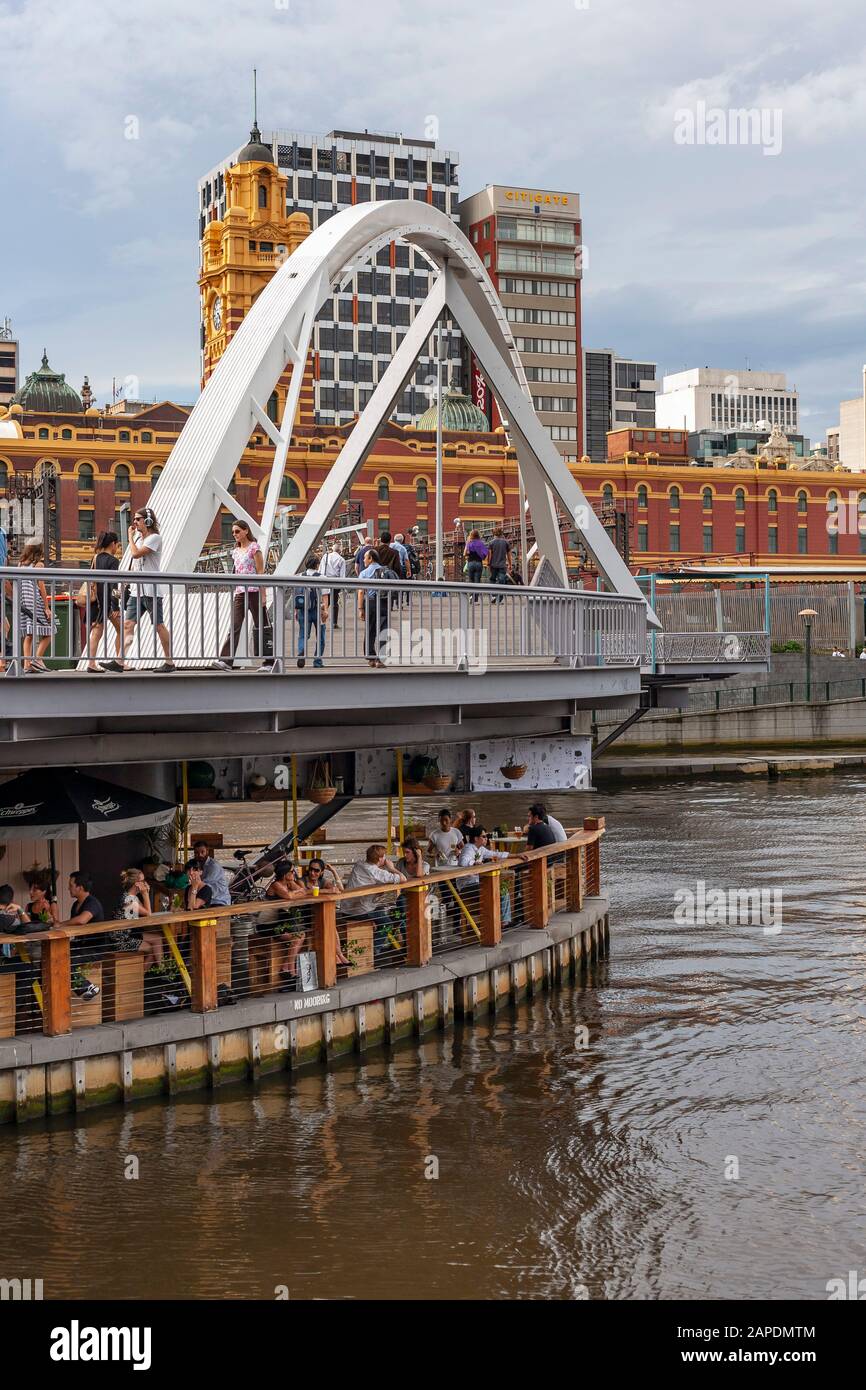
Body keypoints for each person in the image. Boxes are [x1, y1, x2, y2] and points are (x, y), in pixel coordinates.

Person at [105, 506, 174, 673]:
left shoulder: (154, 538)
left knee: (159, 625)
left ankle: (169, 662)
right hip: (137, 590)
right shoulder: (138, 539)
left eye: (138, 519)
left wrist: (129, 536)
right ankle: (120, 660)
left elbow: (136, 555)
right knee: (128, 624)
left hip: (151, 590)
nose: (134, 522)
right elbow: (134, 564)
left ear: (147, 521)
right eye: (134, 519)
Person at [211, 520, 272, 671]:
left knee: (261, 625)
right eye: (233, 532)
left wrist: (263, 595)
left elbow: (260, 572)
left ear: (246, 531)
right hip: (240, 592)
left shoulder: (254, 548)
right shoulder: (236, 551)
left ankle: (269, 661)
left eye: (237, 531)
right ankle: (226, 660)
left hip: (254, 592)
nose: (234, 535)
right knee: (235, 626)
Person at [340, 845, 405, 953]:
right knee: (388, 923)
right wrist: (392, 868)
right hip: (360, 911)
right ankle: (373, 950)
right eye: (384, 856)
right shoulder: (377, 872)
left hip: (346, 908)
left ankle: (383, 945)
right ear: (380, 859)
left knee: (384, 911)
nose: (385, 858)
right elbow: (403, 878)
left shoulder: (359, 864)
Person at [84, 531, 121, 672]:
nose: (117, 547)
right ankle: (120, 661)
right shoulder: (113, 561)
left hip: (96, 601)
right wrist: (115, 606)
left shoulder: (96, 557)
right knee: (122, 630)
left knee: (96, 632)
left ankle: (91, 663)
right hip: (107, 602)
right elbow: (114, 585)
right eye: (117, 544)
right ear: (113, 544)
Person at [63, 871, 104, 1000]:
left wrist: (60, 925)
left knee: (63, 961)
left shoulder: (92, 902)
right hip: (80, 945)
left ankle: (89, 987)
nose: (68, 888)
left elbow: (82, 920)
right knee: (55, 956)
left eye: (71, 885)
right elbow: (73, 926)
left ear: (80, 887)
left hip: (94, 948)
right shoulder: (76, 905)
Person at [17, 541, 56, 674]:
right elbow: (41, 586)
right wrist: (46, 607)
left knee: (29, 634)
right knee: (49, 631)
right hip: (35, 601)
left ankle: (27, 664)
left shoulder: (20, 564)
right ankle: (37, 659)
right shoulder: (38, 565)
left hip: (24, 603)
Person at [358, 547, 389, 667]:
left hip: (370, 603)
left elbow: (361, 591)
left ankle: (371, 657)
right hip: (383, 603)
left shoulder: (364, 573)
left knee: (370, 630)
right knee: (383, 631)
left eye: (365, 558)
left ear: (370, 559)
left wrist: (361, 609)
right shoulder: (385, 571)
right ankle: (381, 659)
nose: (364, 560)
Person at [294, 555, 326, 668]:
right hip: (318, 610)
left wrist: (296, 611)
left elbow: (297, 595)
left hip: (303, 611)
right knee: (320, 637)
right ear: (317, 565)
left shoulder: (299, 576)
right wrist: (325, 611)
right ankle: (317, 661)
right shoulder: (322, 577)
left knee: (303, 635)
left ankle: (301, 652)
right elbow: (325, 596)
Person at [185, 841, 231, 907]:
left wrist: (191, 886)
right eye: (196, 853)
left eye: (202, 852)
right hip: (207, 899)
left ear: (207, 851)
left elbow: (202, 885)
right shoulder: (198, 864)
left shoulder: (214, 866)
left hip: (219, 901)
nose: (200, 855)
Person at [318, 539, 347, 630]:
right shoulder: (341, 559)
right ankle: (334, 622)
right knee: (334, 603)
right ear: (340, 551)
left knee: (326, 601)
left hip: (325, 580)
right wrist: (343, 587)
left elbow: (320, 570)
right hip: (335, 581)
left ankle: (320, 615)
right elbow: (342, 575)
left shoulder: (325, 556)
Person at [487, 526, 513, 598]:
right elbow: (509, 555)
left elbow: (489, 555)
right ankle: (500, 596)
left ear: (494, 534)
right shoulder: (506, 542)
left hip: (493, 565)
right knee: (501, 580)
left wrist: (488, 564)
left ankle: (493, 595)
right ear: (501, 533)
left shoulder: (491, 543)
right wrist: (510, 564)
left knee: (492, 579)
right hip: (502, 565)